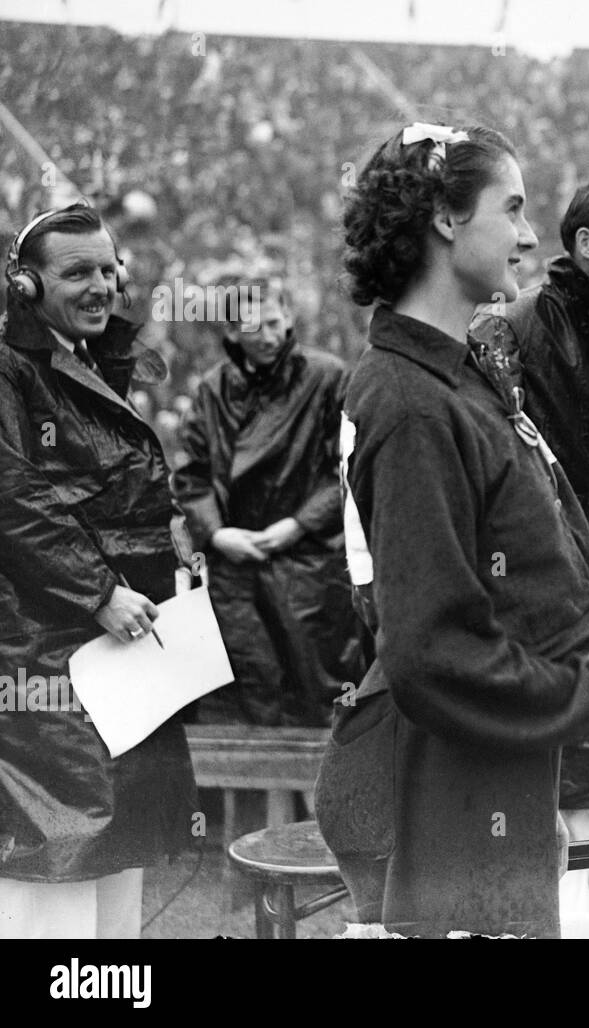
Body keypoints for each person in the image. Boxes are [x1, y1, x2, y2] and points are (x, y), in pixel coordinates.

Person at [336, 122, 589, 938]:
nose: (531, 234)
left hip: (492, 766)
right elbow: (434, 651)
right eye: (512, 208)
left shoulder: (452, 371)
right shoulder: (411, 401)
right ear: (445, 216)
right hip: (450, 783)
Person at [0, 202, 197, 938]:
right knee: (56, 865)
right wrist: (101, 589)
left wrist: (171, 547)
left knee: (117, 860)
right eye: (76, 271)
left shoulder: (89, 362)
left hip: (110, 658)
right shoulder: (11, 366)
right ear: (24, 285)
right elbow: (12, 496)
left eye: (109, 270)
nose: (102, 286)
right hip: (47, 654)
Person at [470, 182, 589, 937]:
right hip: (564, 589)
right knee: (583, 784)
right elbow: (553, 486)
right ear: (585, 245)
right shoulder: (545, 324)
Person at [172, 274, 362, 727]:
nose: (270, 337)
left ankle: (324, 799)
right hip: (234, 565)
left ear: (289, 317)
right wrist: (218, 534)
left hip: (310, 563)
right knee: (246, 692)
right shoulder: (212, 390)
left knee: (319, 691)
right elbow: (192, 474)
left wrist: (296, 525)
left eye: (276, 323)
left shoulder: (327, 377)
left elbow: (348, 466)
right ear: (233, 332)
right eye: (256, 328)